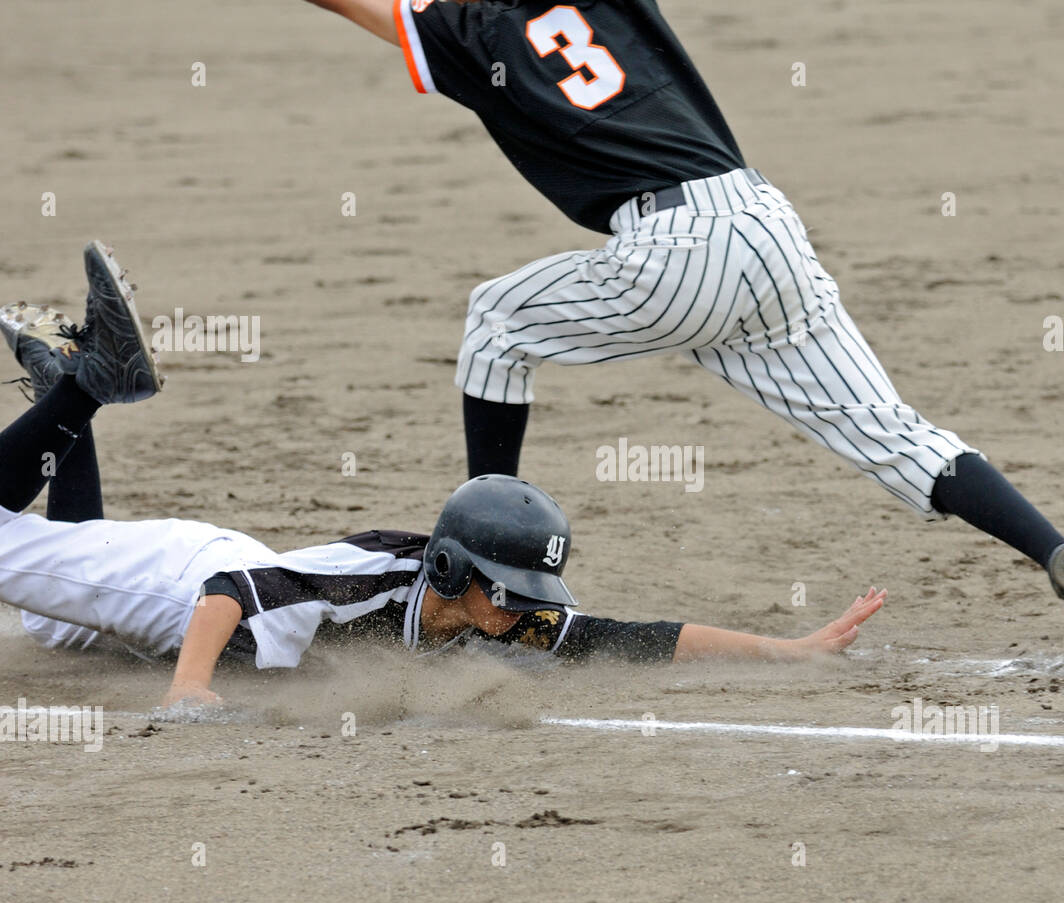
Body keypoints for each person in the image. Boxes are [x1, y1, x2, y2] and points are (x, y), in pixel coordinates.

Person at [301, 0, 1064, 619]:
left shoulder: (469, 30)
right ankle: (1056, 551)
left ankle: (482, 567)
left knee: (499, 321)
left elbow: (360, 10)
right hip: (765, 224)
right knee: (891, 430)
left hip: (673, 251)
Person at [1, 244, 887, 710]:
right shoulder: (380, 576)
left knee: (50, 606)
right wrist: (189, 687)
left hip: (183, 596)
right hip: (180, 586)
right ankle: (86, 385)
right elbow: (232, 588)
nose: (520, 609)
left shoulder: (496, 611)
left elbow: (637, 635)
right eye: (508, 589)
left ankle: (64, 404)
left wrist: (789, 647)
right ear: (458, 572)